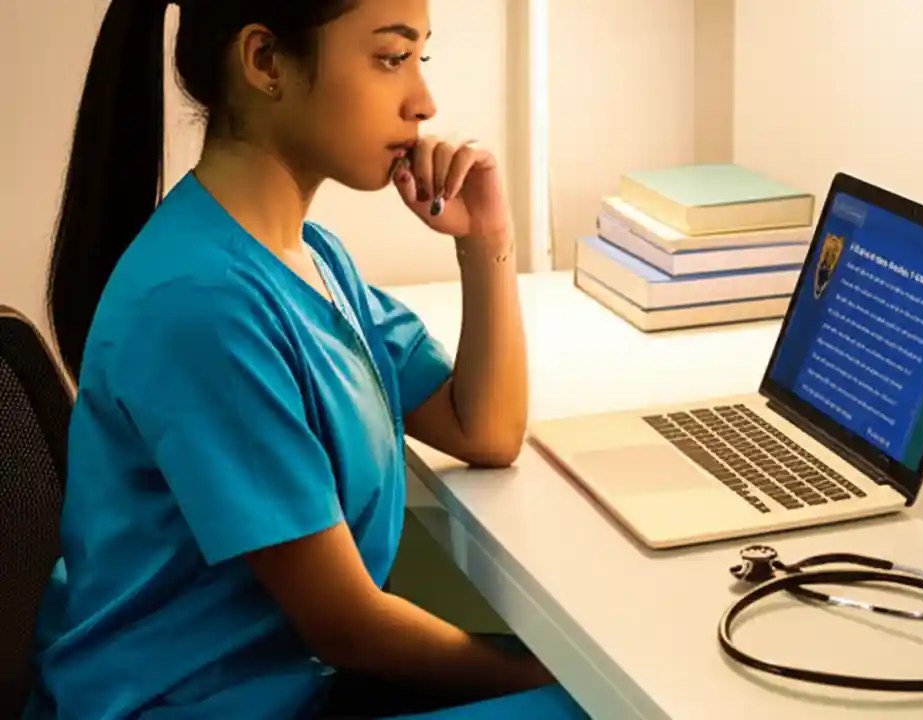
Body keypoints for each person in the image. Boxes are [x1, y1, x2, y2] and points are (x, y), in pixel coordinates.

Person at [26, 0, 589, 718]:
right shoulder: (203, 304)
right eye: (391, 59)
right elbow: (350, 629)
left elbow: (482, 428)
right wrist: (575, 677)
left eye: (423, 59)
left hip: (285, 690)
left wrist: (485, 237)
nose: (423, 101)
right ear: (265, 62)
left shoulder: (310, 260)